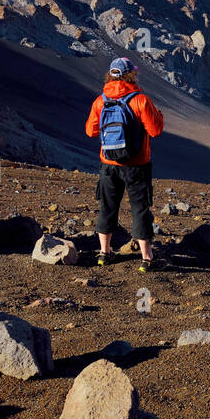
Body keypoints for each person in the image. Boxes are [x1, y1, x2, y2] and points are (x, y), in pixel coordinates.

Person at [84, 57, 166, 271]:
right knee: (140, 209)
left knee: (107, 206)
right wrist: (159, 116)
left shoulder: (100, 100)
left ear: (110, 75)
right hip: (137, 165)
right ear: (131, 75)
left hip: (108, 164)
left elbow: (90, 131)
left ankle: (104, 253)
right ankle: (147, 259)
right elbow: (155, 130)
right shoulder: (140, 100)